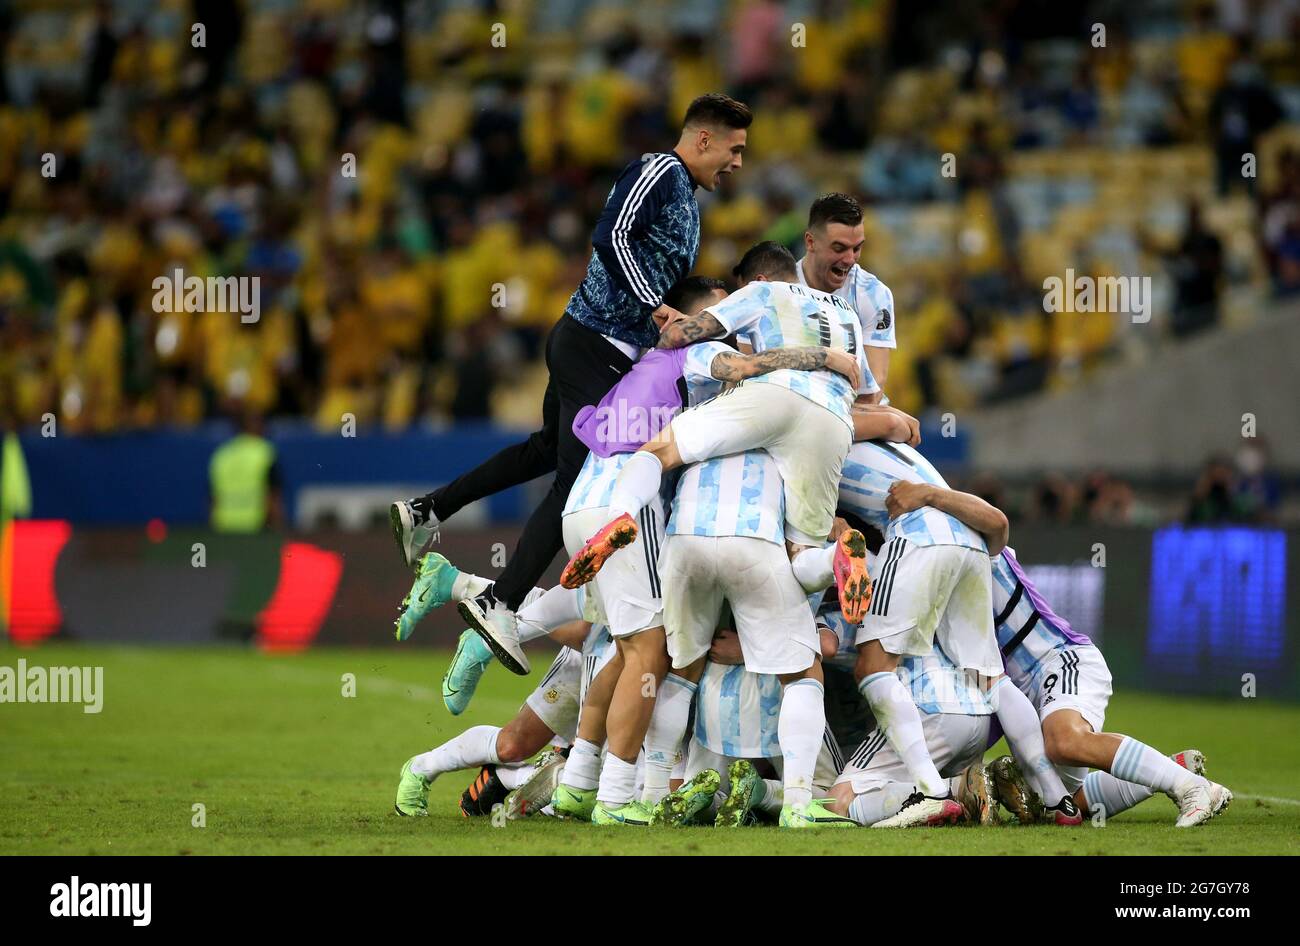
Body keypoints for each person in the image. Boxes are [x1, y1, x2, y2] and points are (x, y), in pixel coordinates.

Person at [389, 93, 753, 676]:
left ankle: (429, 510)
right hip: (597, 341)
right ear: (703, 139)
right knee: (578, 475)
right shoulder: (659, 169)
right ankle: (499, 603)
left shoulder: (687, 196)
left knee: (543, 449)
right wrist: (657, 311)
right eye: (733, 150)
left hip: (594, 342)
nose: (737, 163)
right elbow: (611, 238)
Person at [794, 193, 897, 402]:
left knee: (902, 428)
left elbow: (875, 386)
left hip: (854, 411)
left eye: (857, 248)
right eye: (839, 248)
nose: (850, 259)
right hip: (794, 407)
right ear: (810, 242)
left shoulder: (873, 294)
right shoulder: (776, 287)